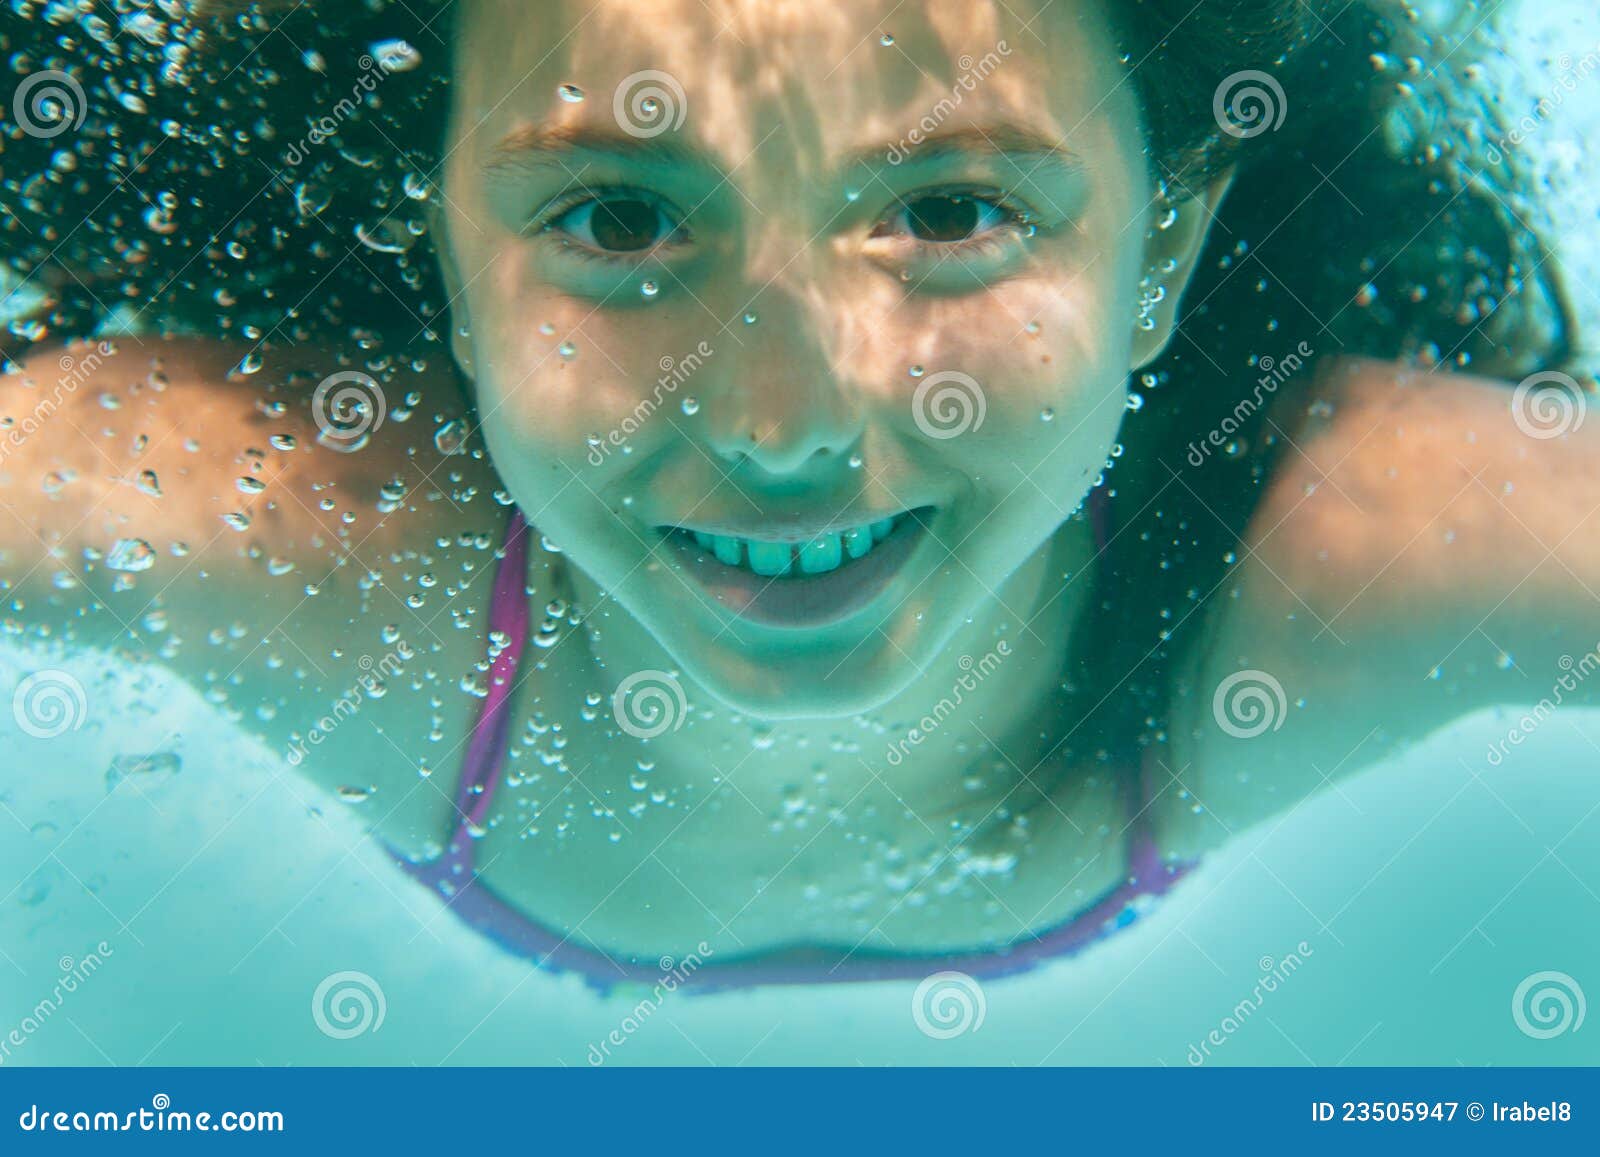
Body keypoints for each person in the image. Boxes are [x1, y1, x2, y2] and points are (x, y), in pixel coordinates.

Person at [2, 0, 1593, 990]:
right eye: (620, 219)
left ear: (1161, 250)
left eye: (954, 209)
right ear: (443, 258)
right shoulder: (263, 510)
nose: (784, 428)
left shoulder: (1343, 538)